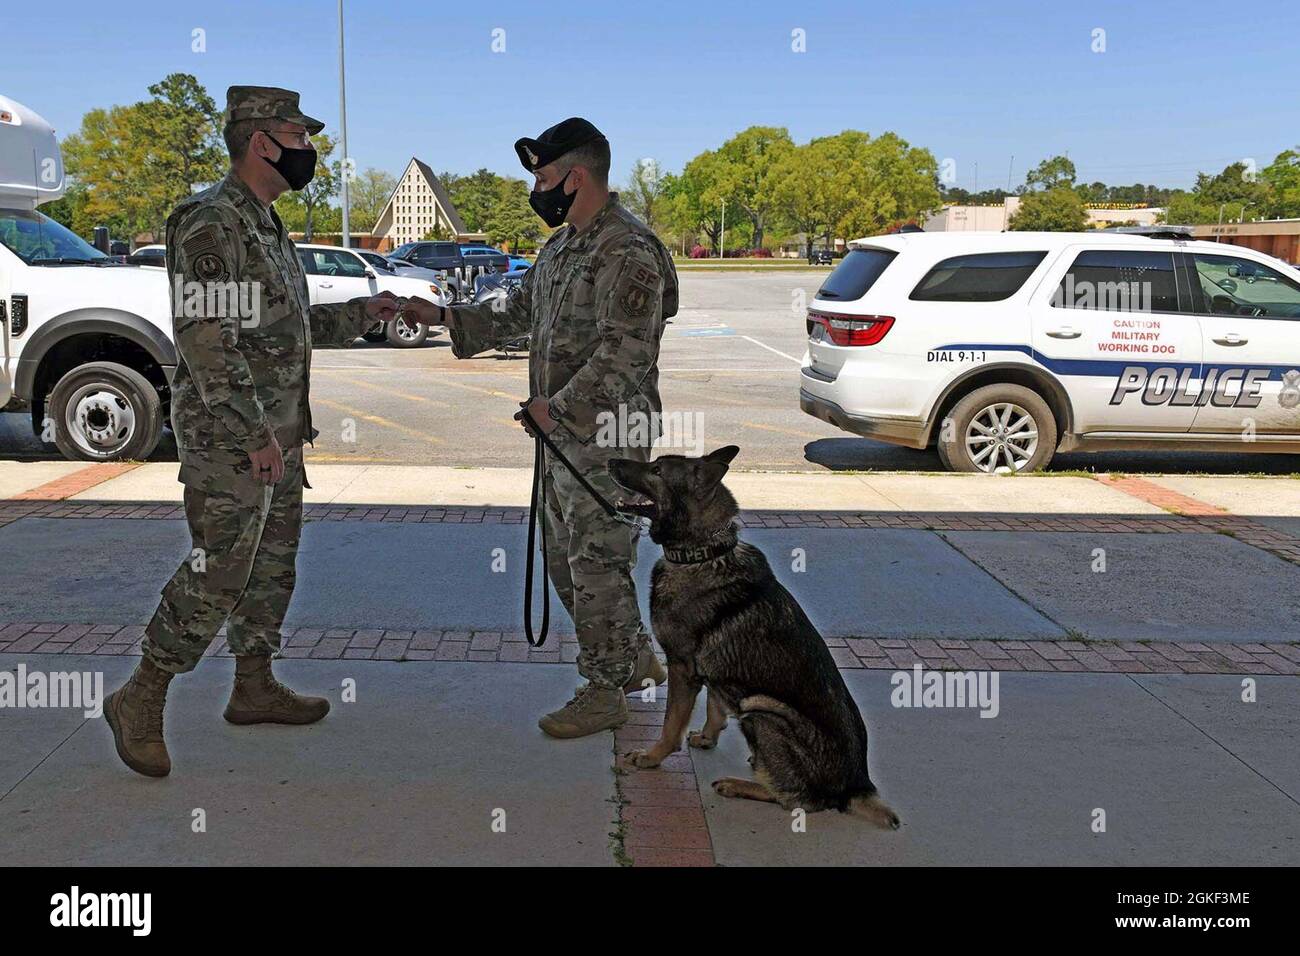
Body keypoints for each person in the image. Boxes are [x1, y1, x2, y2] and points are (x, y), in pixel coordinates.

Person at [102, 86, 401, 777]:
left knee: (270, 565)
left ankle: (253, 684)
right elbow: (208, 340)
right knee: (222, 568)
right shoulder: (209, 222)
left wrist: (366, 310)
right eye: (299, 136)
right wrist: (251, 434)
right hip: (234, 438)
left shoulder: (263, 224)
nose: (309, 150)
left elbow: (282, 331)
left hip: (279, 434)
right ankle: (141, 695)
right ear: (263, 140)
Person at [403, 118, 679, 738]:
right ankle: (632, 657)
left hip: (608, 437)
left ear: (576, 178)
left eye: (544, 177)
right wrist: (446, 313)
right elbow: (516, 310)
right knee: (565, 559)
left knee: (597, 561)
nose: (537, 189)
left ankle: (605, 687)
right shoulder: (563, 248)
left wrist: (560, 408)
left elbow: (628, 350)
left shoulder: (628, 249)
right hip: (561, 436)